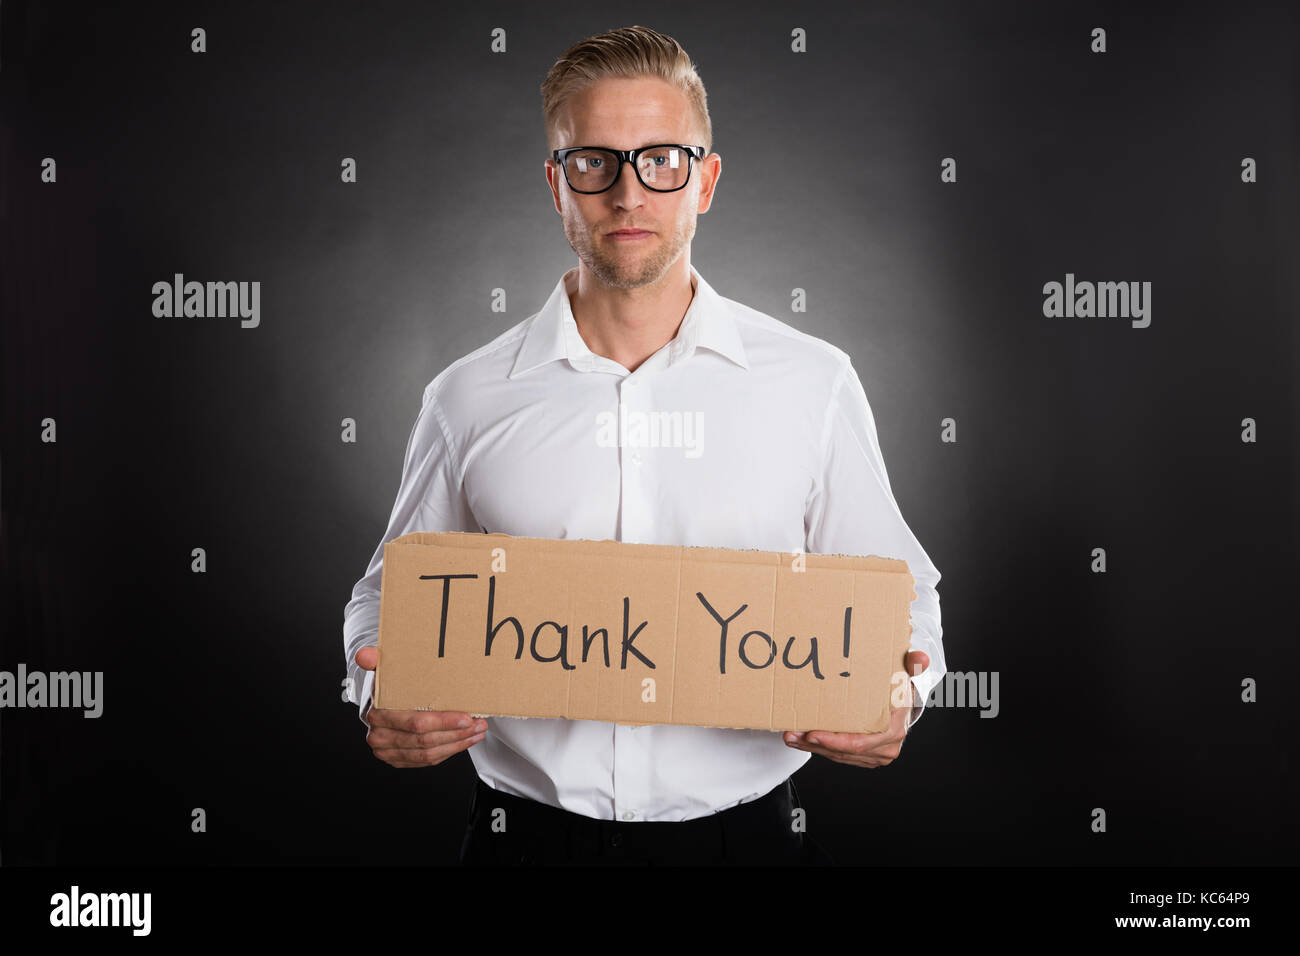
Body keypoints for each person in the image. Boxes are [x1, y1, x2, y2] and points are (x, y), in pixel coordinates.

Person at [342, 25, 945, 866]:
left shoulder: (815, 383)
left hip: (743, 842)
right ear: (556, 183)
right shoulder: (465, 398)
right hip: (526, 843)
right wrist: (376, 685)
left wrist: (903, 691)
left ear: (706, 181)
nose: (628, 194)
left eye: (662, 159)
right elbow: (387, 594)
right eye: (593, 162)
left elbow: (904, 592)